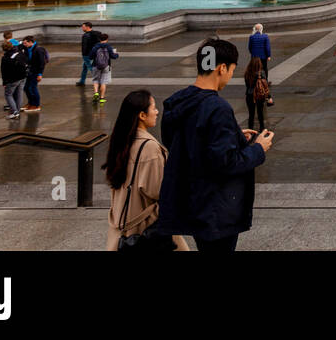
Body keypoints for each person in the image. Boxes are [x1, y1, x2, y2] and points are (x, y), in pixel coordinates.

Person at [157, 38, 272, 252]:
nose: (230, 76)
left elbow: (177, 142)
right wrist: (258, 149)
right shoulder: (218, 108)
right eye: (231, 71)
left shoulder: (178, 101)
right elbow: (226, 163)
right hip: (215, 207)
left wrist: (234, 135)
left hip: (191, 200)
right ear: (221, 68)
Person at [103, 89, 190, 251]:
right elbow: (158, 191)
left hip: (122, 225)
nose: (157, 112)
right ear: (142, 115)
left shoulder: (122, 140)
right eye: (153, 108)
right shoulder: (149, 147)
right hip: (146, 228)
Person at [0, 39, 27, 119]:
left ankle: (15, 112)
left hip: (13, 79)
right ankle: (17, 111)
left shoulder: (5, 58)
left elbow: (3, 71)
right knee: (19, 94)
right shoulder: (19, 52)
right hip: (23, 77)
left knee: (8, 94)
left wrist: (4, 82)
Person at [20, 35, 48, 111]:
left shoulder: (38, 50)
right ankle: (30, 103)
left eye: (25, 43)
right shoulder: (27, 48)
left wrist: (40, 74)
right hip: (29, 71)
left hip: (35, 72)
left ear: (30, 42)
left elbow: (42, 63)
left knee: (33, 88)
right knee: (26, 88)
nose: (24, 45)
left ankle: (36, 105)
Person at [90, 32, 118, 104]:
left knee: (95, 80)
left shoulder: (95, 47)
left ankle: (96, 93)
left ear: (99, 39)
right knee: (103, 82)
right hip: (106, 66)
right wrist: (116, 54)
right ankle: (102, 98)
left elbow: (90, 56)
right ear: (107, 39)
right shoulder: (109, 47)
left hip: (95, 66)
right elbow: (114, 57)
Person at [243, 58, 269, 131]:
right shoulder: (261, 73)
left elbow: (247, 85)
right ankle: (262, 127)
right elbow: (265, 85)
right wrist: (269, 96)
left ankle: (250, 129)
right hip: (259, 95)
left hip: (249, 95)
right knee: (260, 112)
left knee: (251, 114)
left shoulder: (247, 73)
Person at [77, 22, 98, 86]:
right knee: (85, 67)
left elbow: (84, 46)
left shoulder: (85, 35)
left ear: (88, 27)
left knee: (90, 67)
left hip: (87, 54)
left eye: (83, 27)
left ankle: (98, 81)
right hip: (94, 53)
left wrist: (84, 55)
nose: (82, 28)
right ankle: (82, 81)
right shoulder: (96, 33)